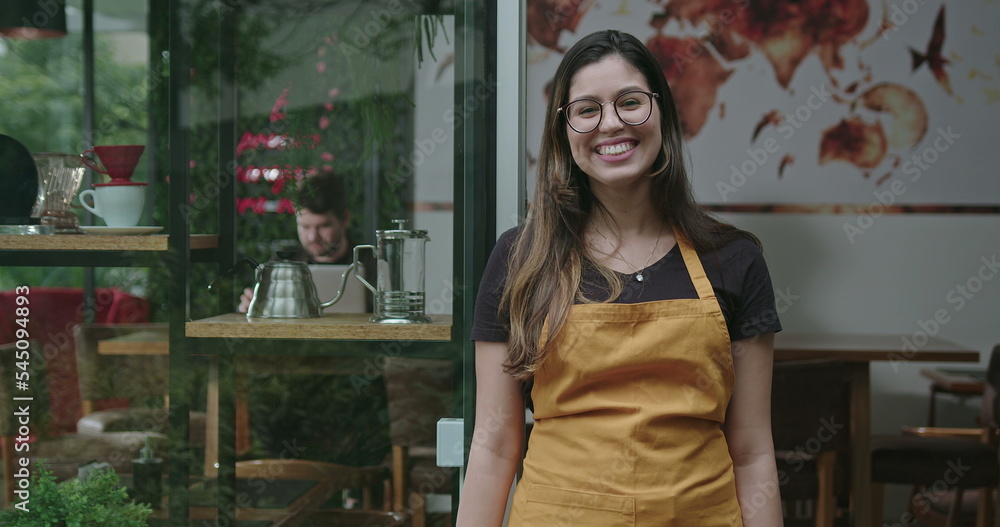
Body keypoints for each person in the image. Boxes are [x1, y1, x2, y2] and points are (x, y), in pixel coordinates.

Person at [457, 30, 783, 526]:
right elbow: (495, 445)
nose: (611, 123)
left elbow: (753, 451)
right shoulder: (520, 258)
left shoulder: (733, 259)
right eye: (587, 109)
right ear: (563, 130)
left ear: (662, 112)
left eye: (630, 102)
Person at [238, 171, 355, 312]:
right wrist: (247, 308)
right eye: (305, 226)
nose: (312, 237)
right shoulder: (282, 263)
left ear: (345, 219)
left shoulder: (372, 264)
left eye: (324, 226)